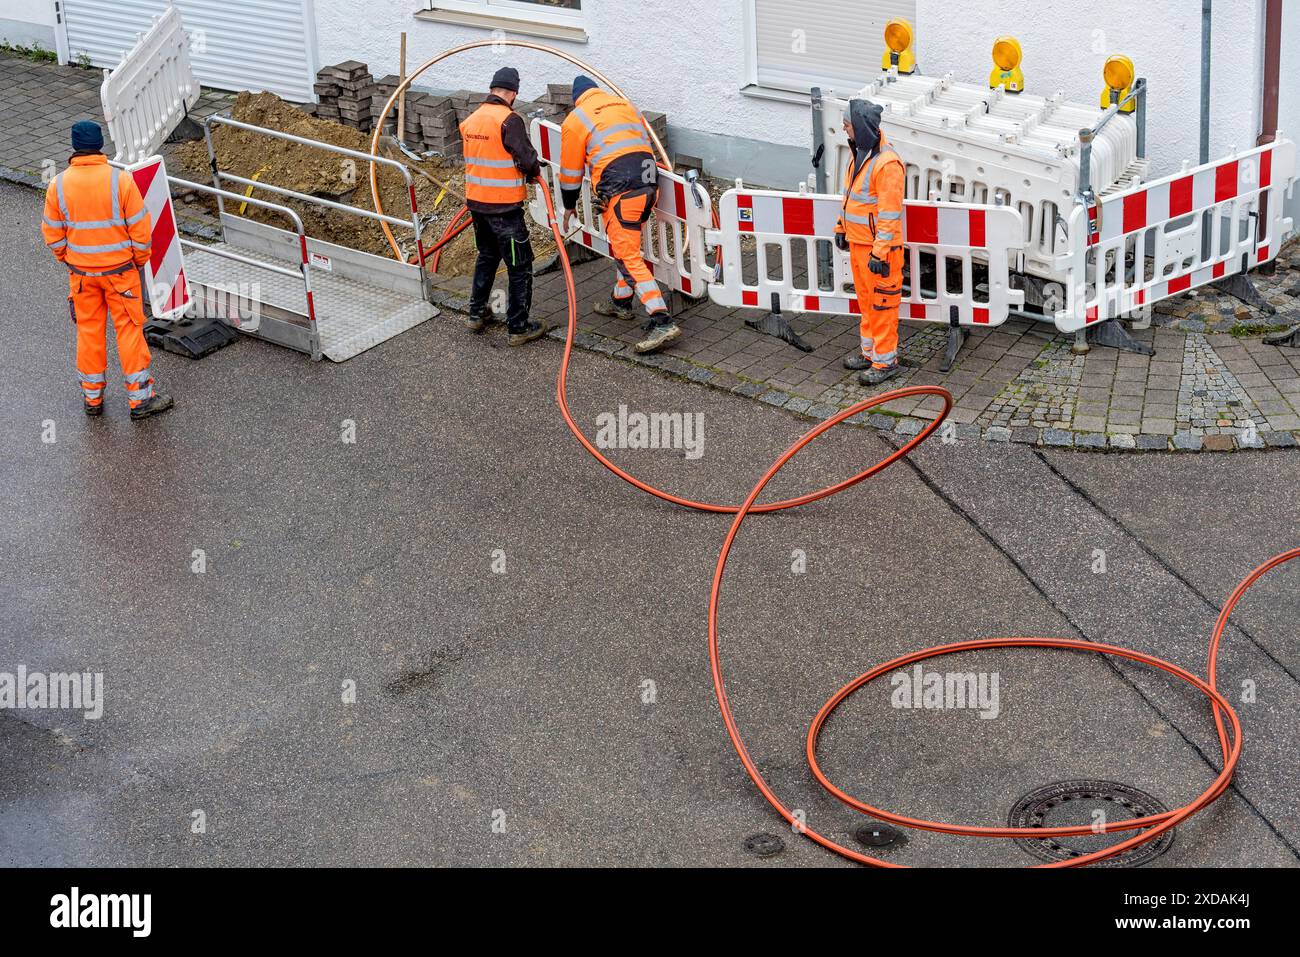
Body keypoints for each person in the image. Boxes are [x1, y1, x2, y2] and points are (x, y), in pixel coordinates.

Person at [41, 120, 173, 419]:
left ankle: (93, 399)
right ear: (100, 145)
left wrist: (70, 259)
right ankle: (141, 400)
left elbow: (53, 234)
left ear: (75, 147)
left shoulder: (58, 184)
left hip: (82, 277)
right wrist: (139, 260)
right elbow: (141, 229)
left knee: (89, 332)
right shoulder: (121, 181)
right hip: (121, 274)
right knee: (128, 331)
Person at [558, 76, 682, 355]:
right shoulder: (625, 106)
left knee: (628, 255)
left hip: (621, 189)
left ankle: (661, 320)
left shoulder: (577, 119)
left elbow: (569, 174)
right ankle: (621, 301)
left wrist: (569, 206)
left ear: (577, 98)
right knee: (622, 245)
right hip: (649, 184)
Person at [460, 66, 549, 346]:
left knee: (487, 256)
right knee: (519, 265)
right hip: (505, 210)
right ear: (513, 93)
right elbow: (524, 157)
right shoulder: (509, 120)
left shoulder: (471, 120)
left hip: (477, 206)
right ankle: (518, 327)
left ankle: (476, 314)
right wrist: (534, 170)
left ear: (491, 90)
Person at [835, 99, 906, 386]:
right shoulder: (860, 154)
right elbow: (850, 198)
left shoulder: (888, 164)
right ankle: (870, 354)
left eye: (848, 124)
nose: (843, 128)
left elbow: (890, 215)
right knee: (866, 303)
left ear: (861, 127)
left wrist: (880, 253)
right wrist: (841, 226)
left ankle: (886, 362)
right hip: (860, 245)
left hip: (881, 252)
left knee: (882, 306)